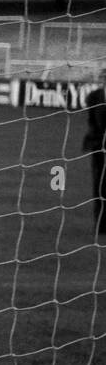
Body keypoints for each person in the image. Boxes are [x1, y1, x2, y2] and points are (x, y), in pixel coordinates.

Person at [84, 65, 106, 238]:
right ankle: (100, 225)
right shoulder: (93, 96)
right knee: (99, 187)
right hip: (99, 148)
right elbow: (91, 121)